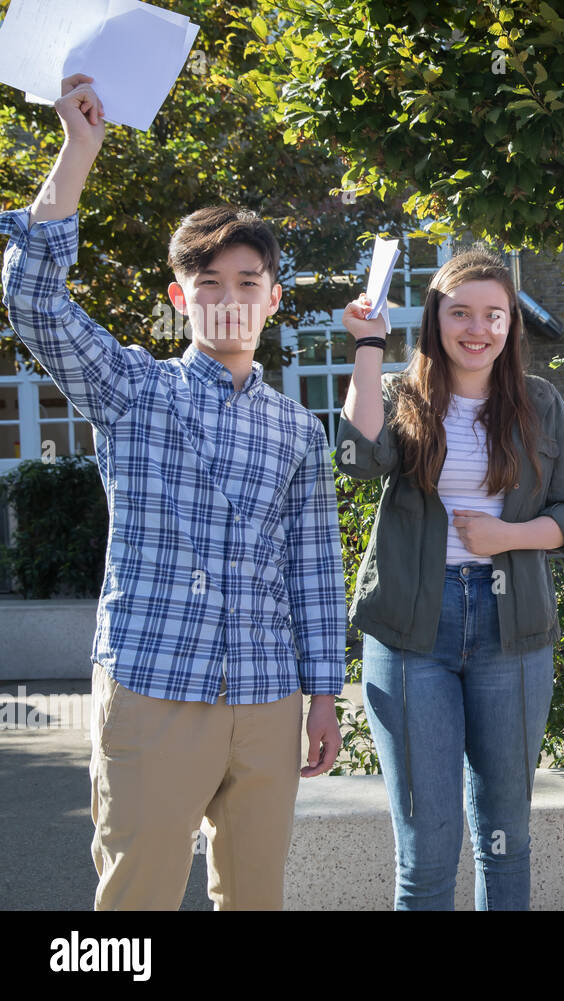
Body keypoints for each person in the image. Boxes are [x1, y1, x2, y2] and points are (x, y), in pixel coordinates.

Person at [0, 76, 346, 910]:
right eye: (210, 282)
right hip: (155, 680)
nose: (230, 300)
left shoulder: (298, 429)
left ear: (273, 297)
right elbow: (32, 301)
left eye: (249, 282)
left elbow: (313, 568)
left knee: (256, 895)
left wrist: (324, 696)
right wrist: (77, 151)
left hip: (267, 691)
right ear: (179, 296)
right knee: (138, 897)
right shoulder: (131, 388)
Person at [336, 247, 564, 910]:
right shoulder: (403, 396)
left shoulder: (539, 402)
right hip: (412, 629)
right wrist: (368, 347)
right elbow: (356, 457)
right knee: (427, 848)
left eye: (493, 315)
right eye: (460, 313)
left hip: (512, 629)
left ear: (510, 325)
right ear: (435, 319)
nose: (478, 328)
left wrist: (508, 536)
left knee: (506, 837)